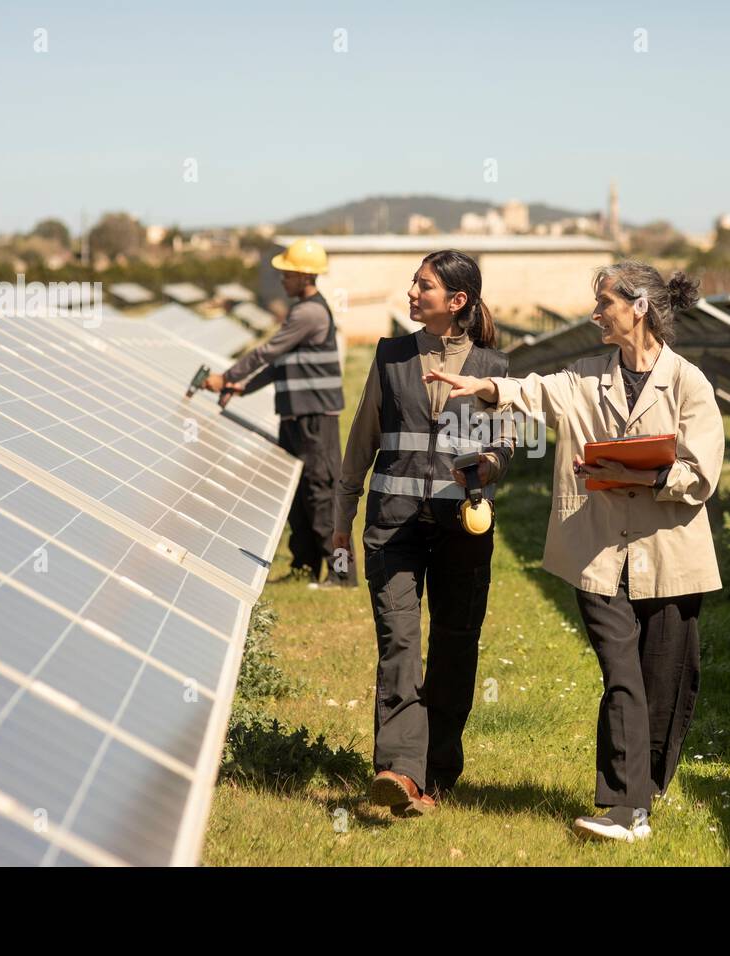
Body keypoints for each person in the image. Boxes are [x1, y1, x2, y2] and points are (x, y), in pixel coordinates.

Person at [425, 260, 724, 842]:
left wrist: (638, 475)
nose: (596, 315)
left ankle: (647, 787)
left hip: (670, 559)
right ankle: (624, 806)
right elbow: (534, 393)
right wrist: (484, 387)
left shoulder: (689, 383)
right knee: (623, 676)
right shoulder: (586, 376)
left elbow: (702, 472)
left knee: (667, 680)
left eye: (605, 303)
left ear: (638, 307)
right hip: (596, 557)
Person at [332, 249, 515, 816]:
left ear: (456, 302)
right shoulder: (389, 357)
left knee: (455, 646)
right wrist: (341, 523)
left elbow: (506, 444)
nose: (412, 293)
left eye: (424, 286)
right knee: (400, 644)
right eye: (414, 283)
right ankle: (399, 772)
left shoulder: (494, 367)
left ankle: (436, 776)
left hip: (462, 526)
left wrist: (487, 464)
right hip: (392, 529)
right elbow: (362, 440)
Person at [204, 238, 354, 588]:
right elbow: (280, 365)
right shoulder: (302, 310)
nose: (282, 280)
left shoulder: (309, 312)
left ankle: (341, 574)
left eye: (287, 274)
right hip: (296, 416)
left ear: (304, 276)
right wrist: (243, 387)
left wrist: (226, 377)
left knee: (320, 492)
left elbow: (266, 353)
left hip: (315, 416)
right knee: (299, 494)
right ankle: (304, 567)